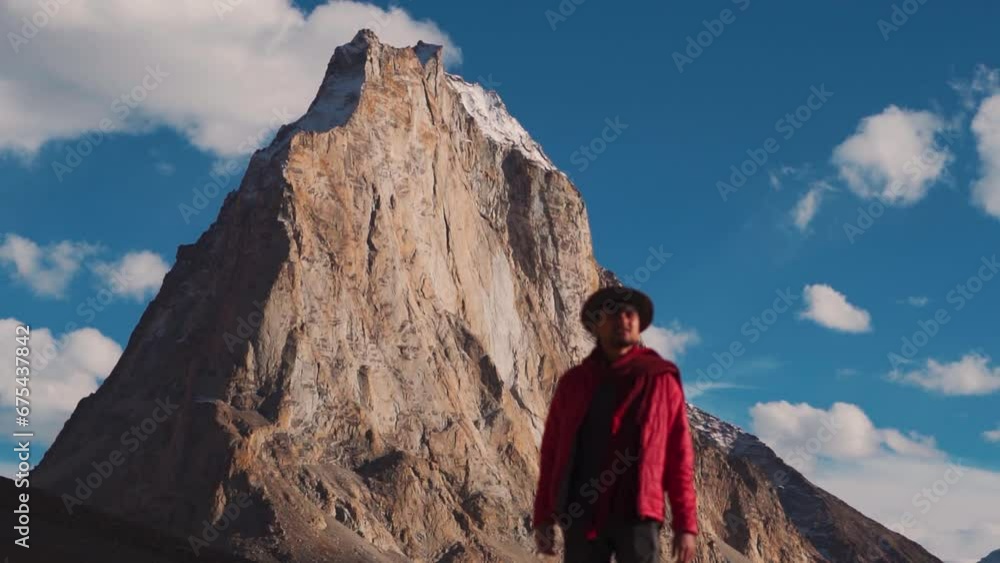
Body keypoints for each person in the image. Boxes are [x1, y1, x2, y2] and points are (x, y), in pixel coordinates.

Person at [532, 286, 698, 562]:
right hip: (582, 509)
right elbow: (551, 451)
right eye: (614, 314)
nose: (623, 319)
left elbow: (678, 454)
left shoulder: (660, 379)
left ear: (639, 324)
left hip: (639, 510)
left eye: (630, 314)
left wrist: (686, 524)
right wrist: (543, 515)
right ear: (597, 324)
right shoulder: (574, 383)